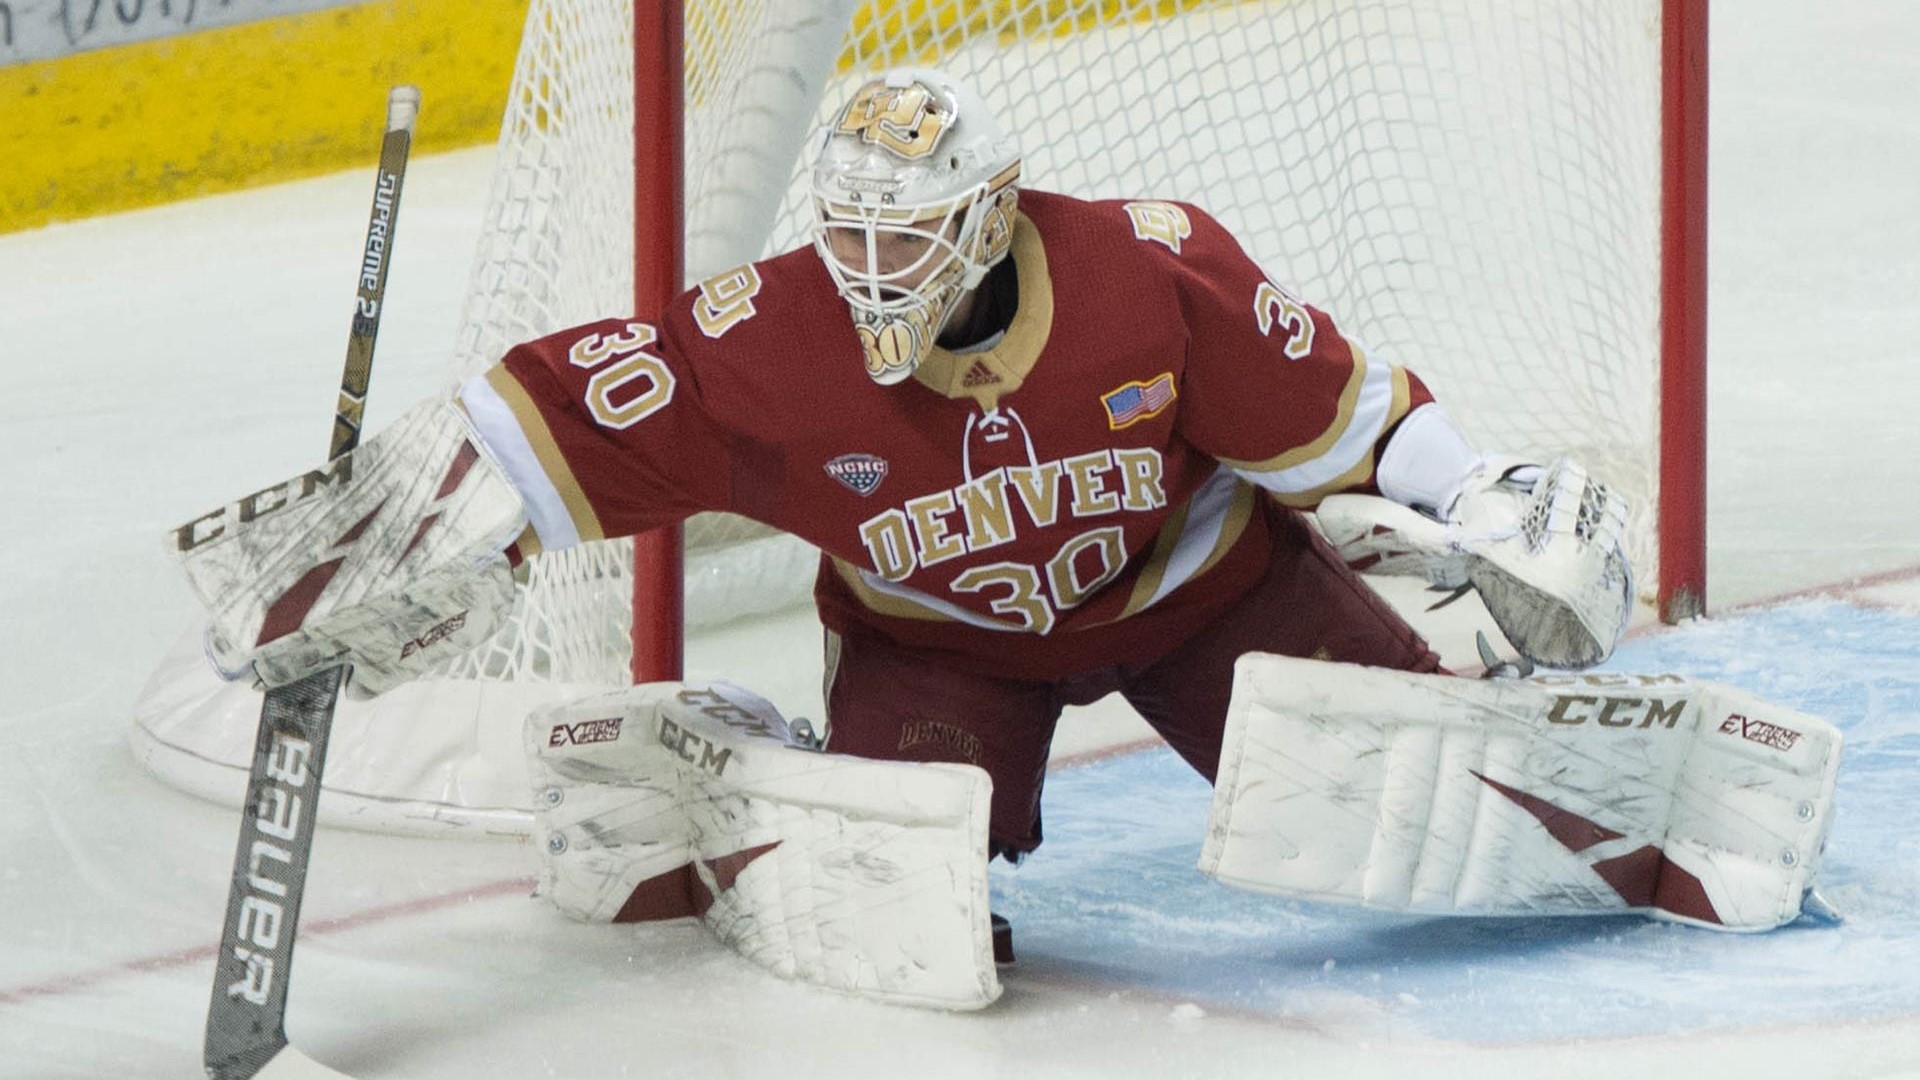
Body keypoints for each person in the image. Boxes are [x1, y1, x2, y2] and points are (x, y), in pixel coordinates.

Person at [449, 67, 1621, 861]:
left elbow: (1337, 416)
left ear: (990, 212)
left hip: (1200, 600)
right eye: (848, 234)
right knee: (899, 862)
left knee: (1392, 805)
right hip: (943, 648)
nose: (870, 267)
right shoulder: (770, 338)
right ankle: (736, 764)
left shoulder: (1144, 271)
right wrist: (425, 537)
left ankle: (1497, 738)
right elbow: (554, 423)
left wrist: (1475, 487)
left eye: (903, 235)